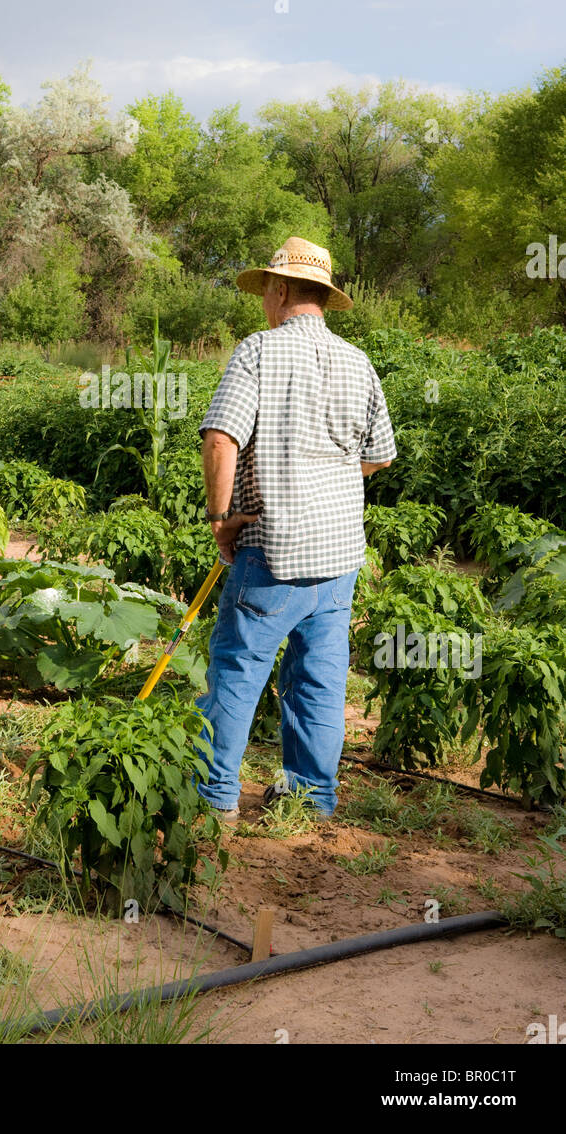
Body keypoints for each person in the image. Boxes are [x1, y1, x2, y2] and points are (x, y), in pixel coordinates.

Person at [196, 236, 396, 823]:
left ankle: (214, 799)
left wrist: (219, 516)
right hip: (338, 560)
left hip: (273, 553)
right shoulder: (358, 362)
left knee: (237, 671)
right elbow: (379, 456)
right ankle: (312, 800)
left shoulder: (259, 351)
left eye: (266, 291)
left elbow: (220, 438)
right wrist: (326, 478)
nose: (264, 300)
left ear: (280, 290)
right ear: (324, 299)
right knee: (319, 682)